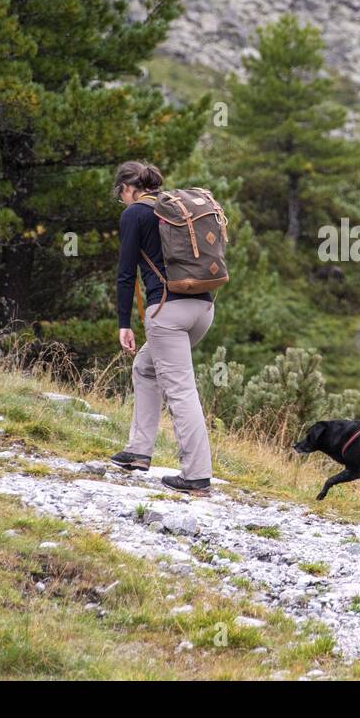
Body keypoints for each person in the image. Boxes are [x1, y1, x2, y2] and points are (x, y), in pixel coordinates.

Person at [108, 160, 215, 492]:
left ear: (127, 188)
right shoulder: (174, 207)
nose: (122, 199)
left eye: (120, 193)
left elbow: (126, 274)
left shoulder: (135, 214)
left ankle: (196, 474)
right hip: (204, 307)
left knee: (181, 391)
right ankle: (139, 451)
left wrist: (124, 323)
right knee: (145, 367)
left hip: (167, 311)